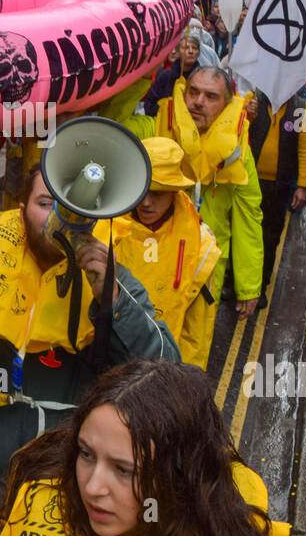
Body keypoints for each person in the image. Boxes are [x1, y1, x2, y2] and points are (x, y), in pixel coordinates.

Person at [0, 167, 178, 536]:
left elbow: (166, 371)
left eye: (72, 206)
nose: (58, 218)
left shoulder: (113, 279)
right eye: (46, 203)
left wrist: (112, 300)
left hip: (78, 493)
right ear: (22, 207)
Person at [0, 359, 290, 536]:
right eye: (86, 453)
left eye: (124, 470)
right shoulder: (38, 497)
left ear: (178, 477)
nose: (92, 488)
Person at [101, 65, 265, 341]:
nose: (198, 102)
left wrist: (248, 285)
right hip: (147, 260)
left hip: (203, 270)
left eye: (211, 97)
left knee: (191, 351)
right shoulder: (158, 127)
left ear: (226, 104)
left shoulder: (237, 149)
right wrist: (140, 73)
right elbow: (112, 129)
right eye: (194, 92)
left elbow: (248, 216)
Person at [94, 138, 220, 368]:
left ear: (174, 191)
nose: (146, 202)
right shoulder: (104, 228)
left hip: (163, 365)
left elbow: (196, 333)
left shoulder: (201, 244)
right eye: (140, 189)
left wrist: (186, 385)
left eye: (158, 193)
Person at [251, 89, 306, 308]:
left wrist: (302, 185)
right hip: (250, 183)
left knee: (270, 236)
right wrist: (246, 114)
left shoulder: (299, 109)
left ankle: (260, 286)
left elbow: (305, 149)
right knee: (246, 234)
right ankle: (234, 281)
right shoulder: (254, 102)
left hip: (281, 186)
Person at [142, 26, 203, 116]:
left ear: (198, 52)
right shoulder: (165, 76)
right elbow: (150, 104)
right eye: (186, 48)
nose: (190, 51)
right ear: (178, 52)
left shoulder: (203, 78)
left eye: (194, 48)